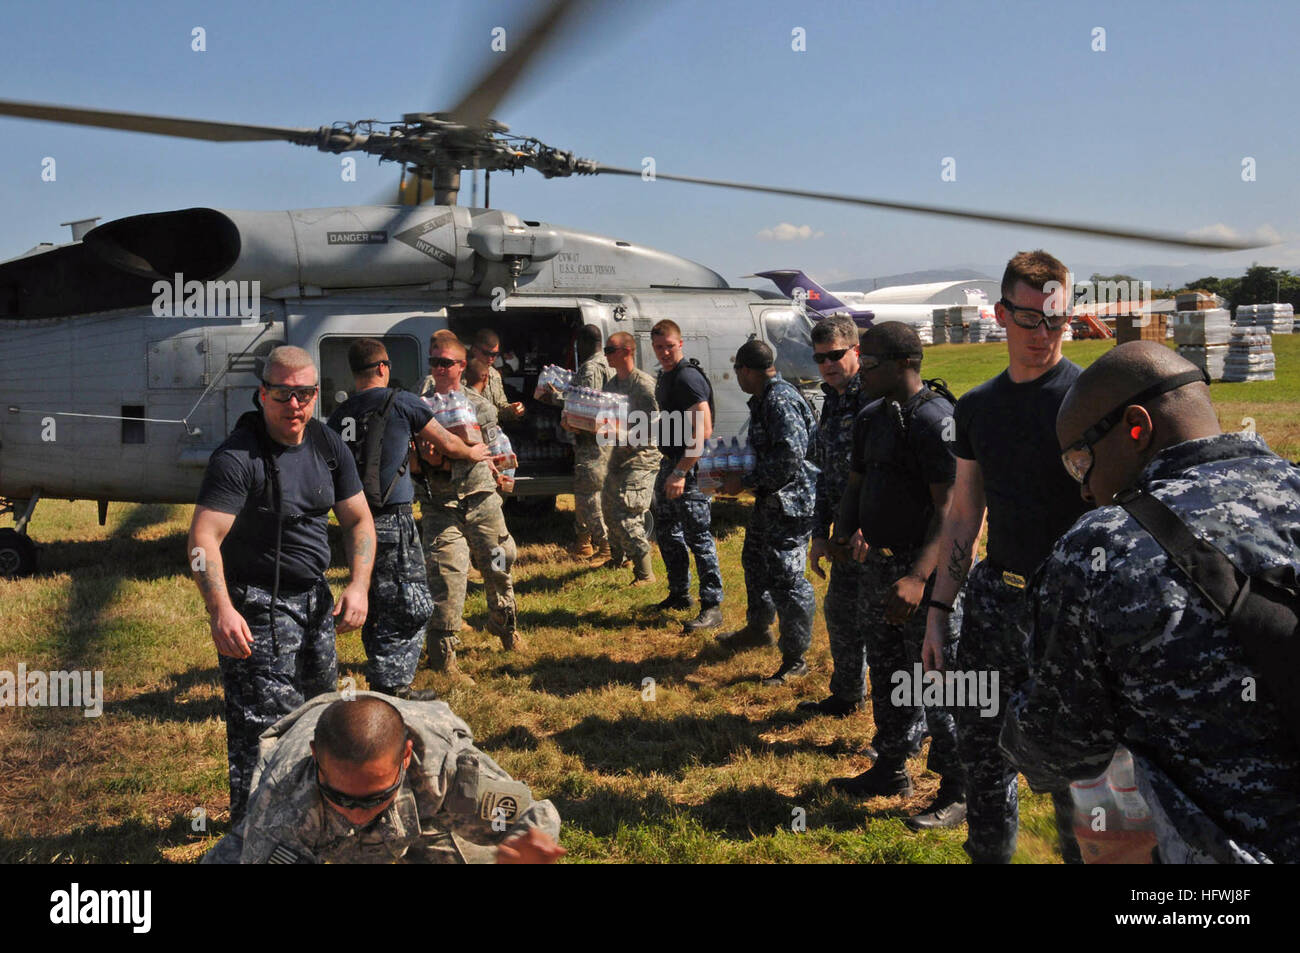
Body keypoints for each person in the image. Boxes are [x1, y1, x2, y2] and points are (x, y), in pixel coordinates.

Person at [1001, 341, 1300, 863]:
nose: (1086, 490)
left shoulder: (1103, 547)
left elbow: (1059, 748)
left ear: (1136, 429)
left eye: (1080, 461)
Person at [920, 250, 1087, 864]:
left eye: (1057, 320)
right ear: (999, 315)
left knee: (1079, 768)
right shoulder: (977, 408)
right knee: (983, 758)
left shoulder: (1088, 399)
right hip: (996, 603)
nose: (1043, 335)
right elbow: (965, 511)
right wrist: (940, 611)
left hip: (1071, 611)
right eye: (1029, 319)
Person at [188, 345, 375, 823]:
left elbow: (358, 520)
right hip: (256, 606)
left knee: (320, 719)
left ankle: (311, 820)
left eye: (305, 394)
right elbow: (203, 538)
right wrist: (220, 610)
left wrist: (358, 585)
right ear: (262, 394)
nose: (295, 405)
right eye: (283, 394)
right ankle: (255, 833)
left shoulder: (326, 443)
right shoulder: (237, 457)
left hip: (315, 603)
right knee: (264, 731)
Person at [825, 323, 966, 830]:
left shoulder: (934, 421)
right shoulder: (871, 416)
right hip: (877, 567)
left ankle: (957, 786)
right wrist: (842, 532)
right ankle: (890, 768)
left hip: (921, 573)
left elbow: (950, 513)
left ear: (905, 362)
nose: (862, 369)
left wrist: (917, 578)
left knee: (937, 681)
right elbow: (856, 482)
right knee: (886, 675)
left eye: (873, 361)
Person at [202, 692, 565, 863]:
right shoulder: (283, 801)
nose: (358, 814)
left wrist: (523, 846)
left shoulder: (444, 769)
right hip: (303, 813)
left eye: (375, 796)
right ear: (317, 760)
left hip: (421, 813)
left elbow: (535, 814)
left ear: (406, 759)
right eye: (343, 798)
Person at [326, 339, 489, 699]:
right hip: (393, 521)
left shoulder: (340, 415)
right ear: (383, 368)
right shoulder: (401, 401)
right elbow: (446, 443)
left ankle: (382, 675)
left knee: (378, 599)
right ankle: (393, 685)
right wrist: (473, 451)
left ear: (354, 373)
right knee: (411, 604)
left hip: (353, 522)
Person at [715, 340, 818, 685]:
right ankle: (758, 628)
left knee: (788, 579)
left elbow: (789, 458)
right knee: (755, 561)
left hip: (791, 503)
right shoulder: (765, 399)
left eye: (737, 373)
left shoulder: (779, 400)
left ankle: (796, 658)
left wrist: (744, 481)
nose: (737, 380)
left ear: (746, 371)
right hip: (771, 499)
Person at [418, 336, 521, 674]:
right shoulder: (419, 406)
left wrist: (503, 469)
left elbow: (495, 445)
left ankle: (505, 628)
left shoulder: (478, 404)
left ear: (462, 366)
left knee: (499, 562)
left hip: (481, 500)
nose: (439, 369)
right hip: (441, 505)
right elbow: (417, 459)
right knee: (446, 576)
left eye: (446, 363)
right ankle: (444, 658)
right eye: (434, 362)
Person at [799, 312, 873, 716]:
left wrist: (868, 525)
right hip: (843, 533)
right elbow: (825, 474)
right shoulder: (831, 402)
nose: (827, 365)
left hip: (876, 535)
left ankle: (909, 722)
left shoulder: (875, 398)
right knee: (842, 614)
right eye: (819, 358)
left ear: (855, 352)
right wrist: (819, 533)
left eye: (835, 355)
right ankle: (847, 695)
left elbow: (887, 476)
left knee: (885, 629)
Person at [650, 319, 724, 631]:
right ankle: (680, 593)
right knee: (667, 530)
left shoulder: (687, 378)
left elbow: (703, 430)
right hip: (673, 461)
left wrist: (681, 472)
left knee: (698, 536)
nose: (664, 352)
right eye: (658, 347)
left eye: (669, 346)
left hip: (690, 466)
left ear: (680, 343)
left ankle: (712, 606)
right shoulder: (666, 376)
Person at [598, 331, 660, 586]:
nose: (605, 354)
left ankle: (645, 574)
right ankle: (618, 557)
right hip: (618, 455)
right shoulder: (612, 386)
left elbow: (656, 425)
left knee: (628, 512)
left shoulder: (643, 385)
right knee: (609, 509)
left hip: (641, 457)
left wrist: (623, 436)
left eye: (610, 350)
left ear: (627, 351)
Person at [567, 324, 616, 560]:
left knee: (589, 494)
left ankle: (606, 546)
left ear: (583, 344)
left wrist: (559, 402)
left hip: (591, 441)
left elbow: (586, 409)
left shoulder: (590, 369)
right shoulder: (609, 364)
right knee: (586, 490)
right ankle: (583, 542)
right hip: (606, 437)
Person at [469, 328, 526, 424]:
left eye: (495, 354)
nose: (491, 358)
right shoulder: (462, 374)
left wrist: (513, 410)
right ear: (474, 350)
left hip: (492, 433)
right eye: (486, 353)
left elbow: (500, 408)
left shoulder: (494, 375)